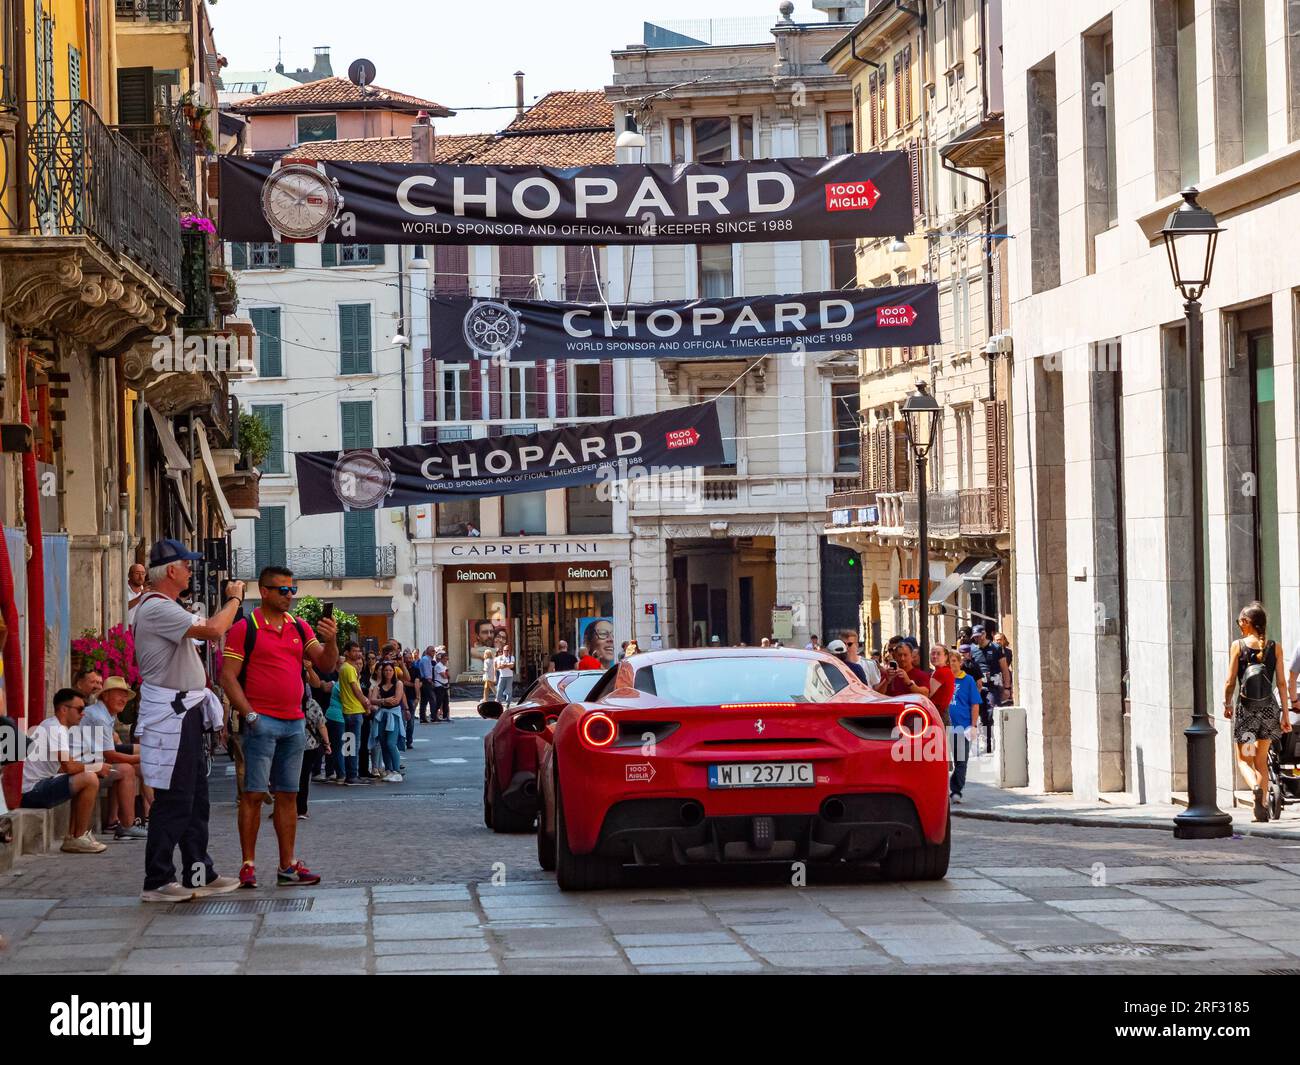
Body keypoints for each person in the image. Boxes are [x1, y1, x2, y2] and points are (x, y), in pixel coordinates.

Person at [132, 539, 243, 902]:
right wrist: (235, 599)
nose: (191, 569)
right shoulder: (156, 609)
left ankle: (198, 871)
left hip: (185, 712)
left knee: (196, 798)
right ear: (171, 571)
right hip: (171, 716)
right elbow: (213, 629)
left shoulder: (167, 606)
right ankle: (158, 879)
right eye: (186, 564)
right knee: (175, 797)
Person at [220, 565, 338, 890]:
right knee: (254, 794)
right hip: (261, 722)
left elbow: (327, 666)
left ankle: (287, 866)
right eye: (283, 590)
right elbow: (227, 676)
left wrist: (332, 640)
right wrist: (250, 715)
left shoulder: (298, 627)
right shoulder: (246, 628)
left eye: (292, 590)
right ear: (265, 591)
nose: (289, 596)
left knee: (289, 795)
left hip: (295, 723)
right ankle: (248, 865)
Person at [21, 688, 111, 853]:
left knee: (84, 776)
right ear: (64, 709)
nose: (83, 714)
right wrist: (96, 767)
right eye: (79, 709)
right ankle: (78, 837)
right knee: (90, 779)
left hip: (37, 786)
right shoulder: (55, 728)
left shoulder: (54, 726)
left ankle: (73, 836)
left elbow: (65, 766)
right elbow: (68, 767)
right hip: (31, 791)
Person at [1225, 601, 1290, 822]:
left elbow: (1229, 682)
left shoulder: (1238, 645)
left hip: (1248, 711)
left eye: (1240, 622)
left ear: (1246, 622)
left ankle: (1255, 788)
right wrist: (1285, 715)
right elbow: (1281, 683)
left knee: (1245, 759)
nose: (1239, 626)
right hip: (1269, 710)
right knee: (1261, 760)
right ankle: (1260, 808)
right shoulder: (1275, 647)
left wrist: (1227, 704)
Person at [74, 675, 148, 840]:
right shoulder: (99, 716)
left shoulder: (106, 713)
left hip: (91, 762)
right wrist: (143, 758)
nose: (123, 699)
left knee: (132, 767)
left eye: (125, 696)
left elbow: (108, 752)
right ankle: (128, 825)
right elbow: (110, 756)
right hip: (82, 766)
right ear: (105, 696)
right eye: (119, 694)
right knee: (127, 769)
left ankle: (121, 820)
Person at [947, 648, 983, 803]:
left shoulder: (967, 680)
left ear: (960, 663)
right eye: (949, 662)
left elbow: (975, 704)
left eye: (954, 661)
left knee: (960, 761)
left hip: (962, 727)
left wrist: (973, 726)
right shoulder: (943, 679)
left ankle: (956, 790)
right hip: (944, 727)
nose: (951, 664)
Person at [968, 626, 1011, 753]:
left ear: (984, 634)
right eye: (975, 637)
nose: (977, 638)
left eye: (979, 636)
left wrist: (1007, 688)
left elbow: (1004, 669)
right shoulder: (973, 649)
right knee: (981, 713)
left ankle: (995, 738)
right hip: (978, 687)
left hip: (993, 686)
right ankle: (984, 739)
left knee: (992, 711)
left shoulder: (996, 648)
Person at [298, 665, 331, 818]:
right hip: (309, 745)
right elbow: (321, 725)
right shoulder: (311, 704)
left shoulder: (286, 702)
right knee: (304, 777)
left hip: (289, 745)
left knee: (285, 776)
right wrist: (327, 744)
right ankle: (302, 809)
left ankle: (284, 806)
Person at [337, 643, 372, 785]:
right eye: (354, 651)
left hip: (347, 710)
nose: (358, 653)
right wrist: (365, 702)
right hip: (354, 710)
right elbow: (356, 689)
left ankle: (349, 774)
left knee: (349, 744)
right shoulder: (349, 668)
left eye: (359, 650)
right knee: (353, 745)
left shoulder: (344, 668)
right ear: (347, 653)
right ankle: (352, 775)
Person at [368, 661, 406, 782]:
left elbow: (396, 700)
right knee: (383, 744)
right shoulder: (379, 685)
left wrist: (382, 701)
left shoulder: (398, 683)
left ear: (393, 671)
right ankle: (388, 770)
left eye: (390, 670)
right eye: (385, 670)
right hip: (382, 715)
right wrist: (384, 700)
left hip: (393, 715)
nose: (388, 672)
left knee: (391, 743)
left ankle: (396, 771)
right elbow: (372, 700)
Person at [875, 639, 941, 702]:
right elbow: (877, 695)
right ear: (895, 657)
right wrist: (886, 681)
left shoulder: (921, 675)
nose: (902, 658)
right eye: (899, 655)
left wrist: (908, 682)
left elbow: (925, 694)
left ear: (911, 656)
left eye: (905, 655)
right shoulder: (889, 673)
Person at [929, 643, 955, 725]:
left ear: (946, 657)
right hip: (941, 714)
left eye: (938, 654)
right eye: (933, 653)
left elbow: (927, 693)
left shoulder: (941, 672)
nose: (935, 656)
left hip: (938, 715)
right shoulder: (943, 671)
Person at [415, 646, 437, 723]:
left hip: (425, 681)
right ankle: (433, 717)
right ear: (427, 651)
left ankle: (422, 717)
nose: (434, 653)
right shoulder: (426, 660)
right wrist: (431, 682)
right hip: (426, 681)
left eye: (434, 651)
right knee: (432, 699)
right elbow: (427, 673)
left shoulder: (426, 659)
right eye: (432, 651)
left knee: (424, 700)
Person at [495, 643, 516, 707]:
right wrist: (507, 665)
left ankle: (508, 703)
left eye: (507, 650)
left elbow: (512, 666)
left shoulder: (512, 657)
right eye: (504, 650)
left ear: (509, 651)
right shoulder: (500, 657)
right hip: (502, 676)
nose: (506, 652)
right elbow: (498, 666)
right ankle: (498, 702)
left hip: (509, 676)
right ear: (503, 651)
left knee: (509, 690)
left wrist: (504, 665)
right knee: (499, 690)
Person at [433, 649, 451, 721]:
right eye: (445, 659)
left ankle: (445, 715)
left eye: (447, 659)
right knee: (439, 701)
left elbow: (448, 676)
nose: (446, 661)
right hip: (439, 685)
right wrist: (447, 674)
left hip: (445, 685)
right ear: (442, 659)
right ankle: (435, 715)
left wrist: (447, 674)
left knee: (446, 701)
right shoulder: (439, 666)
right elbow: (444, 676)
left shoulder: (444, 666)